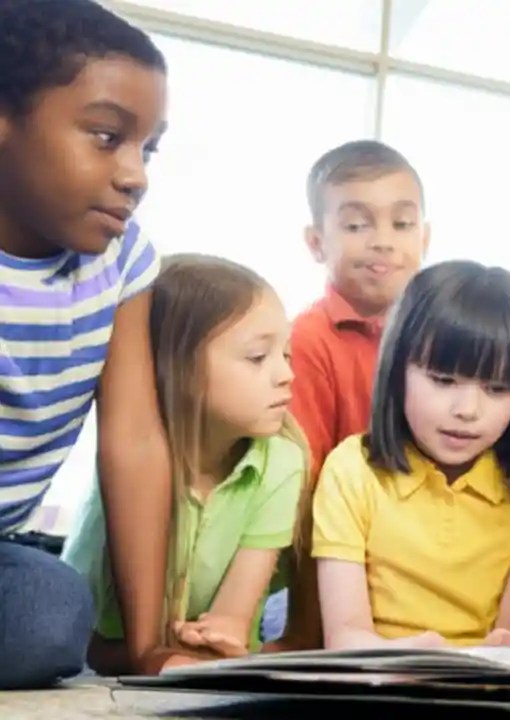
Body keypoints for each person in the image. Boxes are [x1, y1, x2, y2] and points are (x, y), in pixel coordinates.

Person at [0, 0, 173, 684]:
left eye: (148, 146)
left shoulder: (122, 262)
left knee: (53, 611)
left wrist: (149, 644)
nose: (136, 173)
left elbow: (132, 442)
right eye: (106, 136)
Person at [62, 254, 306, 673]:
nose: (287, 375)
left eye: (286, 354)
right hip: (96, 645)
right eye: (257, 357)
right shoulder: (134, 470)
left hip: (207, 653)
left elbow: (234, 623)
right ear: (177, 369)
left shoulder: (283, 462)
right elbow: (92, 643)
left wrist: (219, 638)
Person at [312, 261, 510, 649]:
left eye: (496, 389)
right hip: (374, 680)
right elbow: (344, 637)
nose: (467, 410)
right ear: (398, 369)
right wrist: (407, 661)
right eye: (443, 381)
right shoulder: (351, 471)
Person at [272, 139, 429, 650]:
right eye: (358, 225)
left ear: (425, 237)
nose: (382, 241)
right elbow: (306, 493)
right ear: (316, 241)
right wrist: (307, 631)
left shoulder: (439, 337)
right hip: (338, 557)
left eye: (401, 224)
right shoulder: (307, 340)